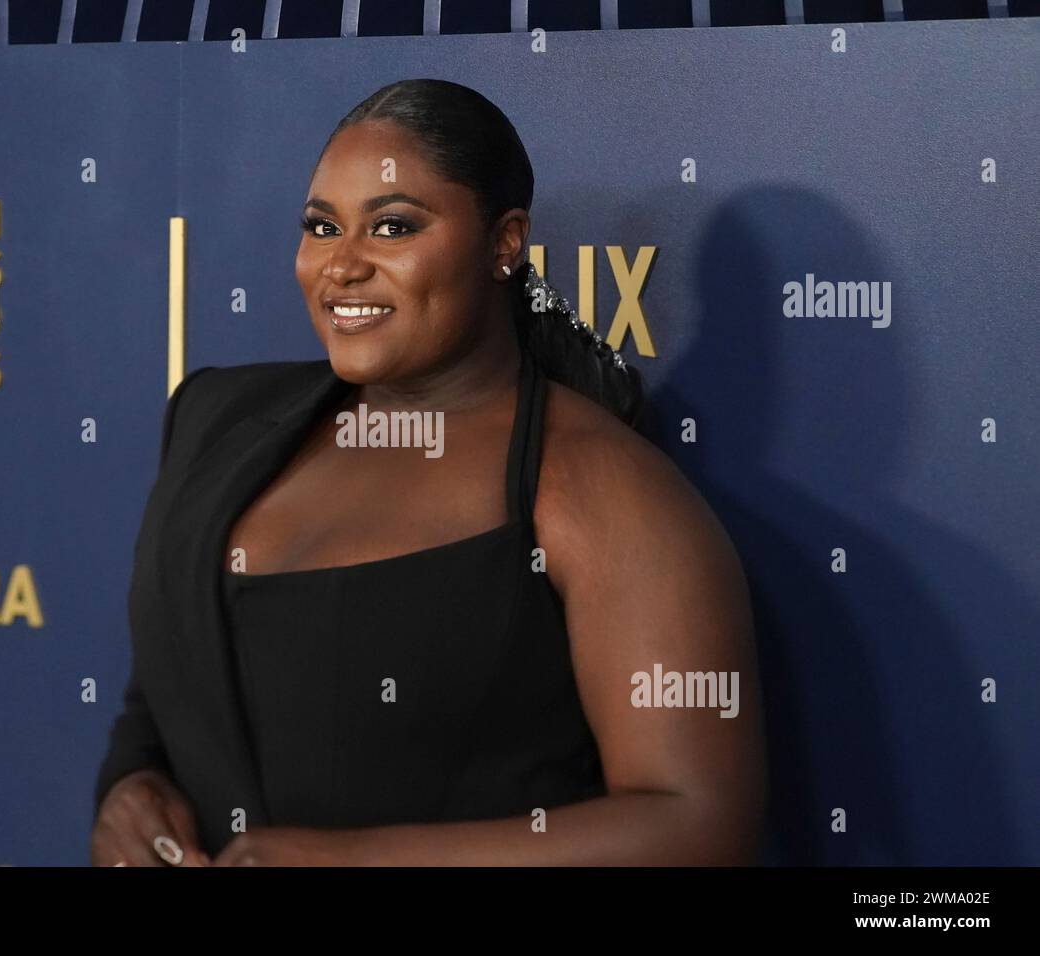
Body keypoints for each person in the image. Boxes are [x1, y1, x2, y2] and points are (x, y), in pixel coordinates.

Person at [91, 78, 765, 866]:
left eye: (392, 226)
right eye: (321, 226)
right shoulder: (213, 420)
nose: (341, 266)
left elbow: (697, 826)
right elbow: (171, 676)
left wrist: (360, 863)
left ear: (505, 242)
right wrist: (128, 784)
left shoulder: (603, 487)